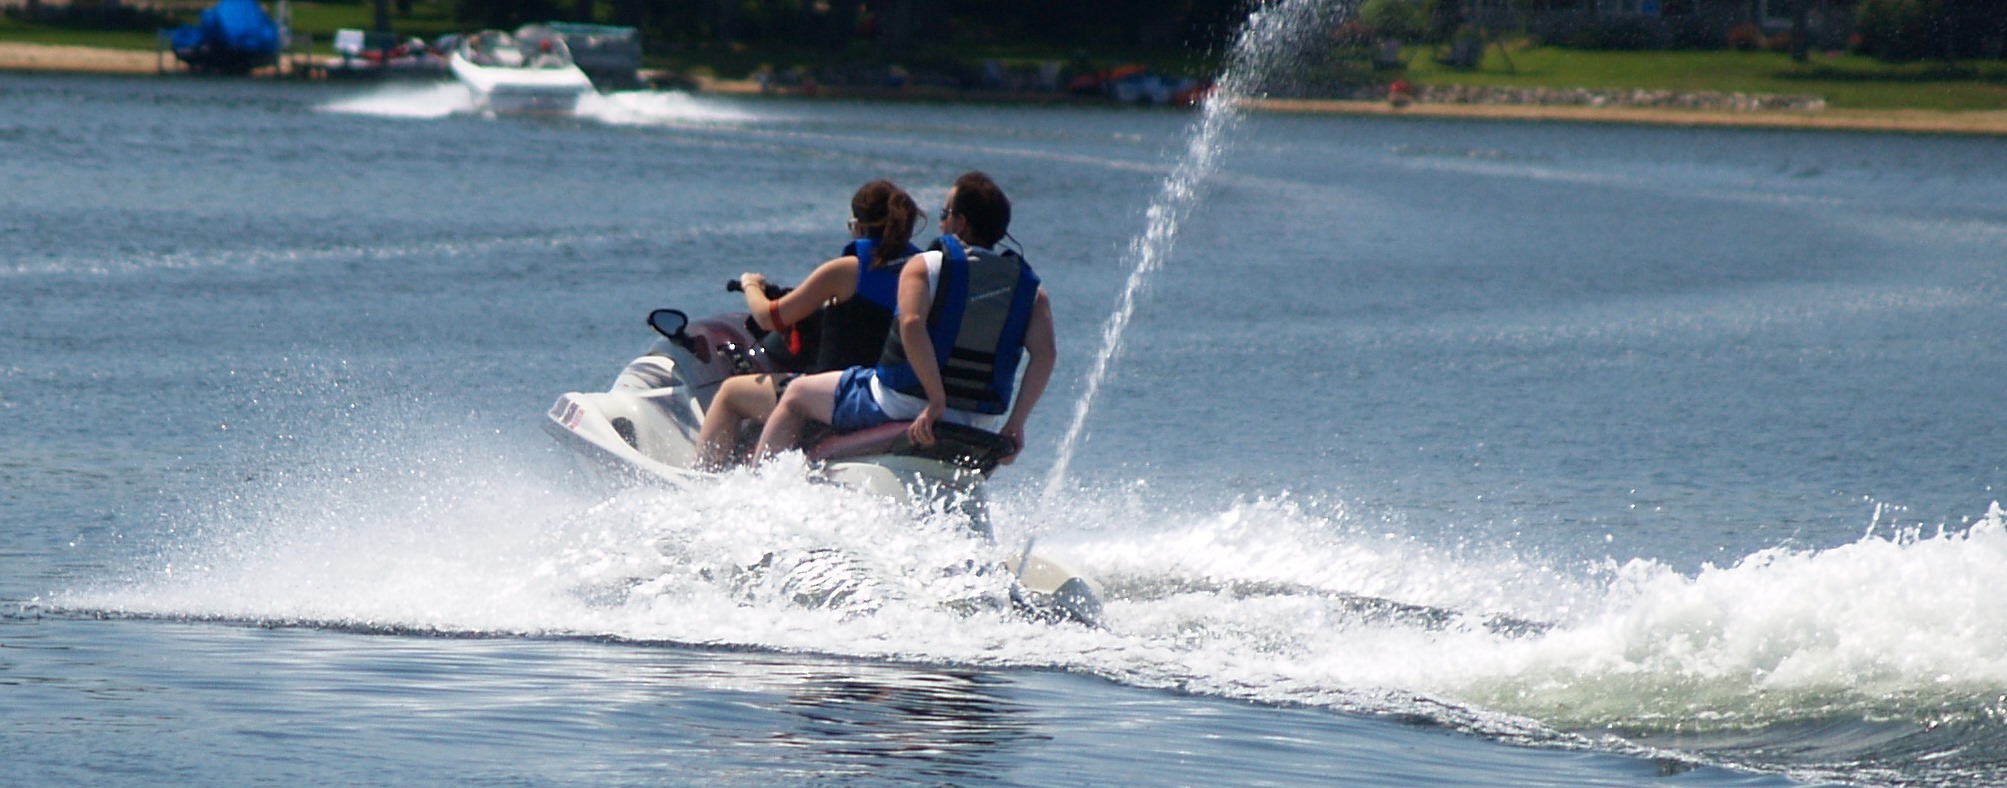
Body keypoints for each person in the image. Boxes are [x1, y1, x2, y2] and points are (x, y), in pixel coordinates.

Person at [755, 171, 1055, 466]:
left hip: (901, 402)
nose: (940, 221)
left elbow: (911, 324)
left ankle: (754, 489)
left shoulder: (925, 266)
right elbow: (1046, 355)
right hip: (981, 419)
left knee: (796, 394)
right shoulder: (1031, 291)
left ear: (960, 222)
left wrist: (936, 401)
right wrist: (1017, 421)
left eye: (945, 212)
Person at [695, 179, 922, 470]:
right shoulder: (922, 271)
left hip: (836, 397)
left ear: (858, 226)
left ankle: (701, 479)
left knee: (730, 393)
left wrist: (751, 285)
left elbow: (769, 317)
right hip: (892, 396)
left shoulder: (846, 271)